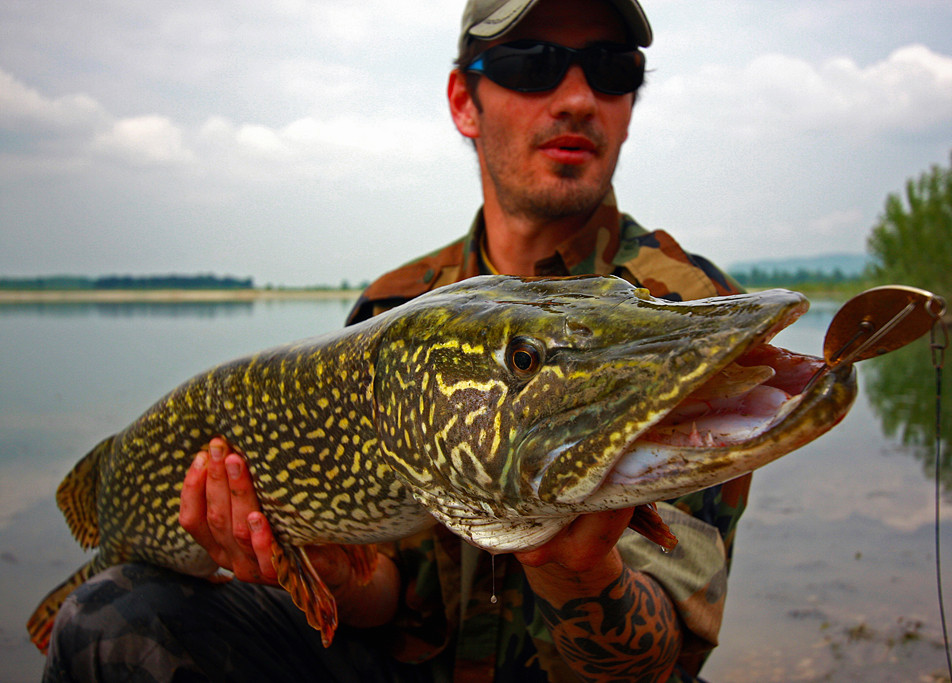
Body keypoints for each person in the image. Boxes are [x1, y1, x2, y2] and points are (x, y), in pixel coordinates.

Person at [43, 1, 750, 681]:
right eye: (532, 64)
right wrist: (335, 574)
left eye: (611, 66)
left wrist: (581, 572)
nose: (575, 98)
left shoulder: (681, 314)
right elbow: (389, 601)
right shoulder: (392, 305)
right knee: (107, 622)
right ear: (462, 102)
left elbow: (658, 659)